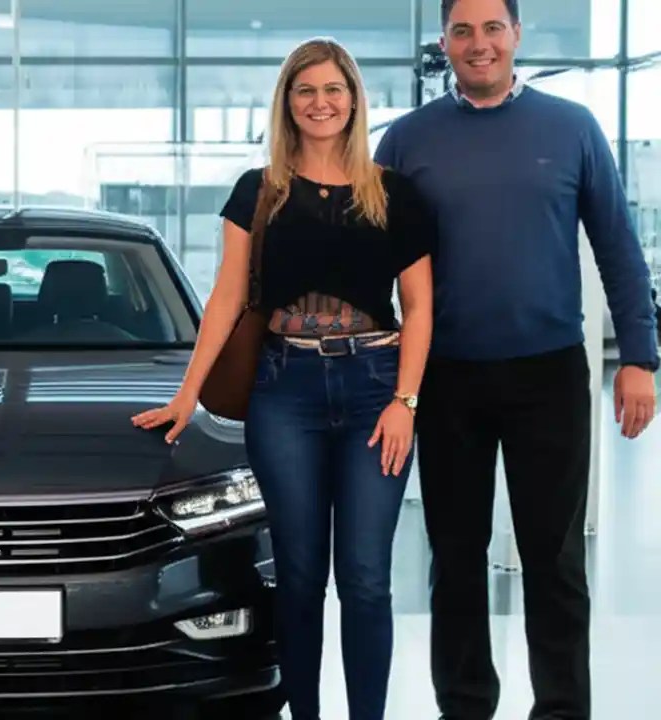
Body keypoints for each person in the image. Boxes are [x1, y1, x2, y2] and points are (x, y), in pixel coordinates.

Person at [132, 38, 435, 720]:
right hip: (284, 391)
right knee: (298, 579)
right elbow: (226, 298)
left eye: (333, 90)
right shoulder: (259, 190)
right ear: (288, 104)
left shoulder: (393, 194)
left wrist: (405, 402)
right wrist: (187, 395)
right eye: (306, 91)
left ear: (354, 98)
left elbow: (419, 309)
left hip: (373, 390)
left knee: (364, 579)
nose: (320, 103)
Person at [374, 1, 660, 718]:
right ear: (444, 42)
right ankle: (465, 705)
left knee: (555, 562)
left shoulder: (573, 129)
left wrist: (639, 357)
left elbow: (619, 248)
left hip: (551, 374)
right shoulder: (406, 142)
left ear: (516, 36)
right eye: (463, 31)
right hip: (446, 381)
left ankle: (563, 709)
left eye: (492, 28)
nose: (479, 44)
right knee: (456, 559)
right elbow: (368, 259)